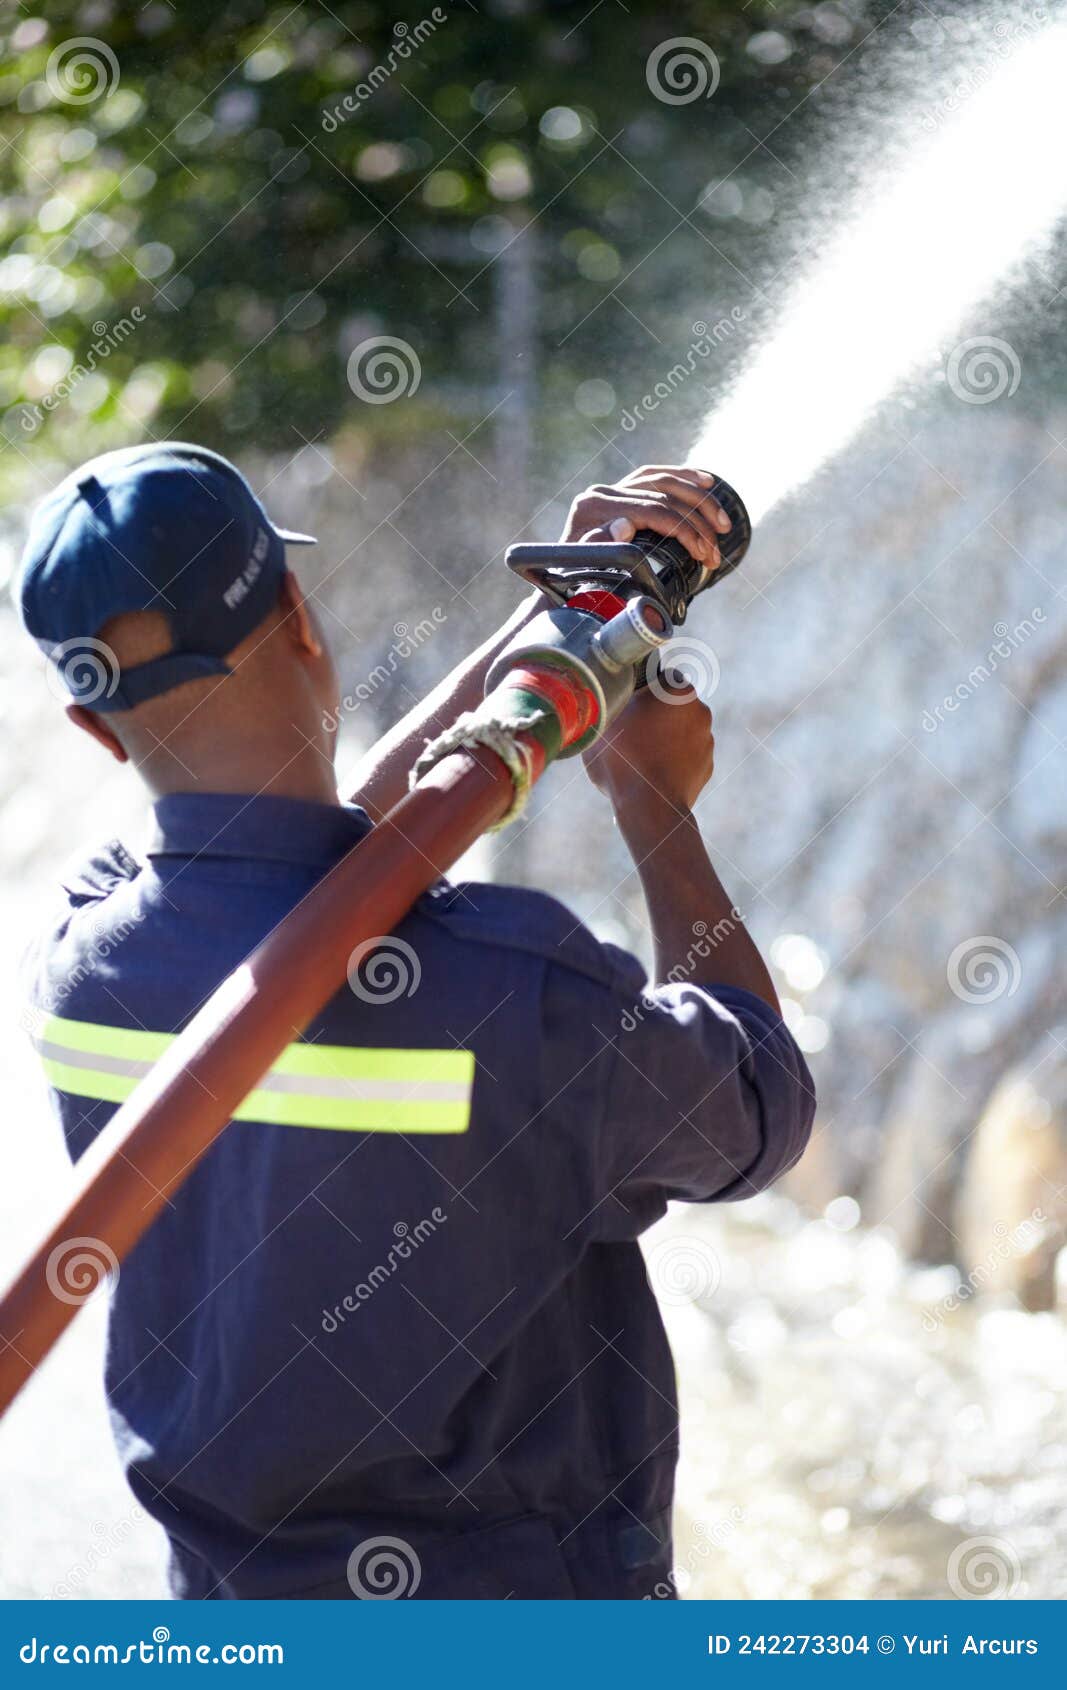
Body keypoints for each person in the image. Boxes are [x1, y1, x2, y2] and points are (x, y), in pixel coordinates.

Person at [17, 442, 814, 1601]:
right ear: (300, 616)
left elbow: (295, 879)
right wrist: (652, 806)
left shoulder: (83, 968)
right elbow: (761, 1100)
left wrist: (544, 634)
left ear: (94, 726)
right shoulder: (514, 991)